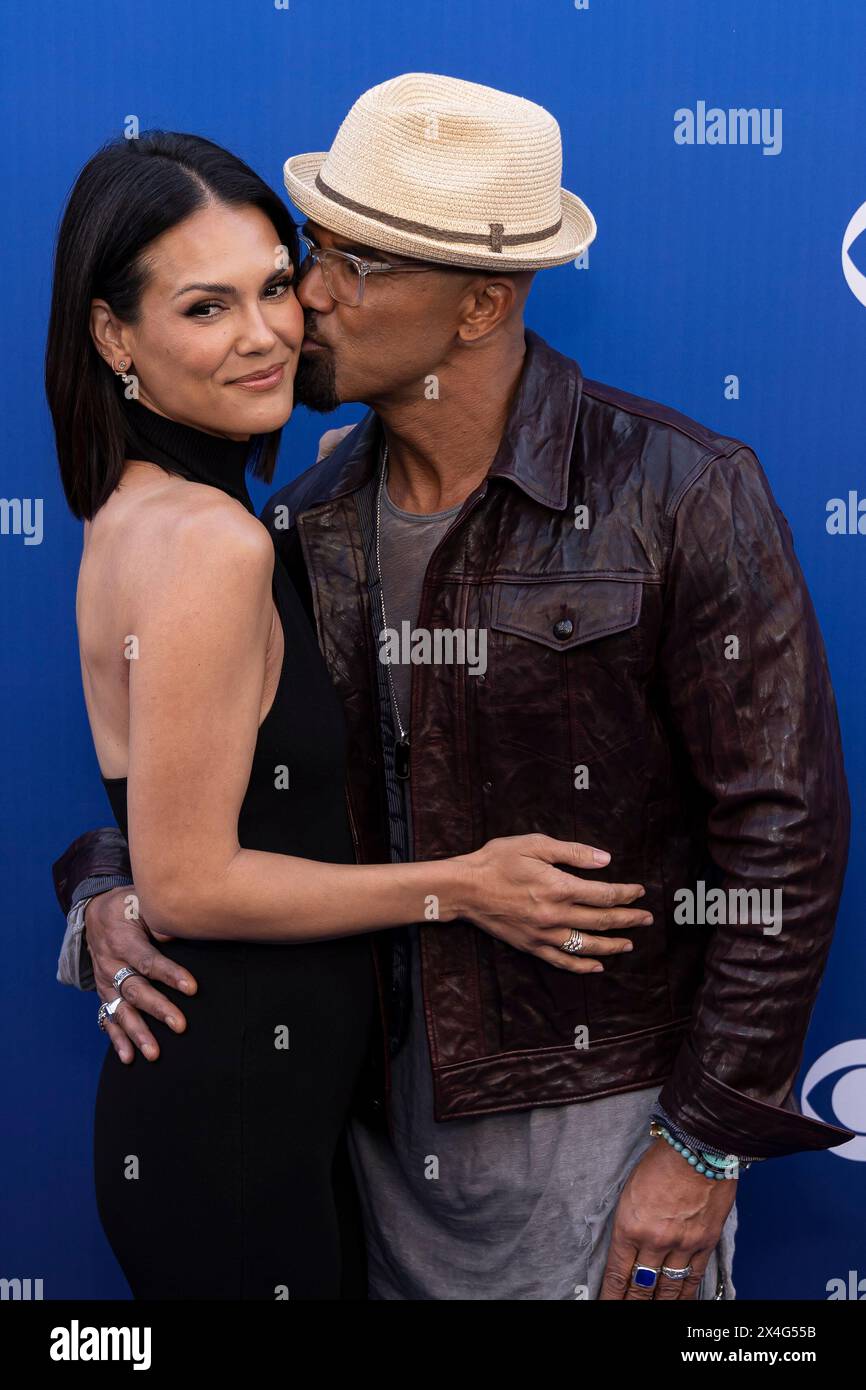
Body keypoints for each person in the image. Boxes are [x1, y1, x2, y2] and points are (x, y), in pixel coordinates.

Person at [54, 77, 854, 1302]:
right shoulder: (303, 519)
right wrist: (114, 879)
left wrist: (701, 1144)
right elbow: (254, 780)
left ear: (480, 301)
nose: (306, 300)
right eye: (309, 254)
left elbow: (782, 839)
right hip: (357, 1135)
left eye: (350, 267)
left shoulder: (678, 492)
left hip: (586, 1130)